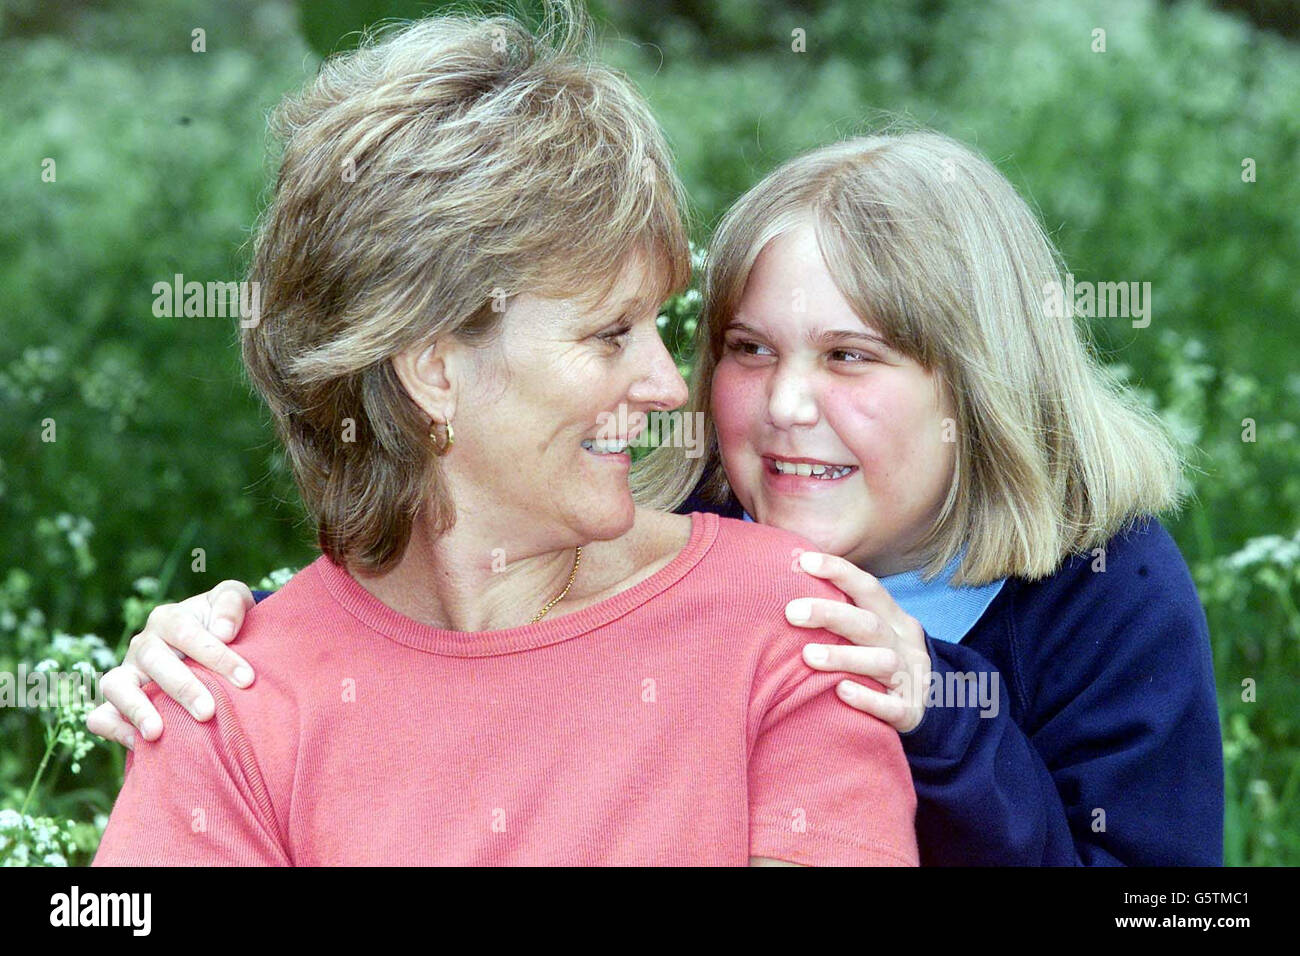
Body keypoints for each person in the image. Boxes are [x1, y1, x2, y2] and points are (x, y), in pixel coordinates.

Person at [89, 123, 1223, 864]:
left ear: (975, 386)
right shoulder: (709, 533)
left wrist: (939, 708)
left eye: (850, 356)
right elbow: (462, 586)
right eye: (742, 345)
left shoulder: (1103, 582)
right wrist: (234, 647)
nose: (783, 404)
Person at [89, 8, 919, 867]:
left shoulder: (792, 623)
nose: (671, 387)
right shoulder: (221, 697)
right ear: (434, 369)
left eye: (655, 325)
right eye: (609, 334)